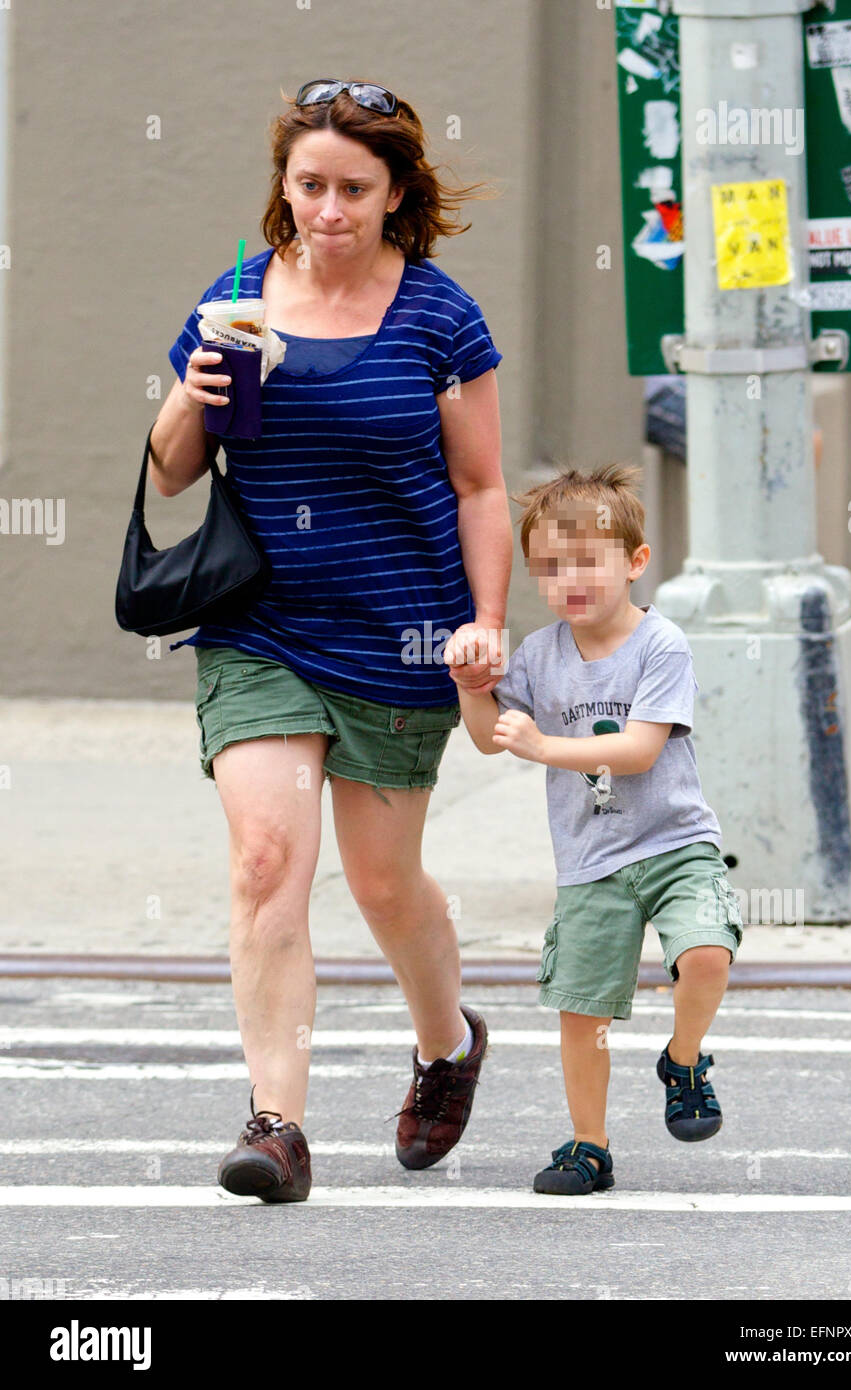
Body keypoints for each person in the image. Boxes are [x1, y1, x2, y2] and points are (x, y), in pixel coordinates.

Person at [148, 79, 512, 1201]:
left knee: (384, 882)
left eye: (353, 188)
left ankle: (446, 1042)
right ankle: (276, 1123)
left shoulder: (439, 319)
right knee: (267, 862)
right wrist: (192, 397)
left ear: (395, 190)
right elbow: (168, 468)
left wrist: (485, 624)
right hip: (260, 623)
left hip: (399, 635)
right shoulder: (239, 297)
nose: (329, 209)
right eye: (309, 185)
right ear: (286, 188)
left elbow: (481, 484)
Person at [447, 464, 744, 1195]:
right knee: (583, 1013)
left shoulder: (661, 644)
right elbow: (490, 736)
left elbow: (640, 750)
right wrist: (470, 686)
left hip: (675, 843)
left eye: (585, 562)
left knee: (706, 954)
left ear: (635, 562)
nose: (566, 580)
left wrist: (545, 748)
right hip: (590, 860)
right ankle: (589, 1144)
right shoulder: (541, 655)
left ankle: (683, 1059)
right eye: (548, 567)